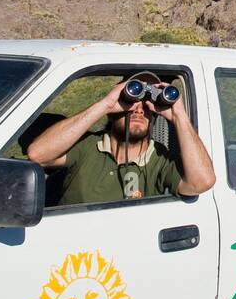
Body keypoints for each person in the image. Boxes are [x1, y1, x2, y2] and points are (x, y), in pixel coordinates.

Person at [26, 71, 217, 204]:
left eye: (146, 104)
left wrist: (179, 116)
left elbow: (202, 182)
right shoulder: (87, 146)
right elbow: (38, 154)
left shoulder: (159, 159)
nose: (139, 109)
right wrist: (105, 104)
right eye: (131, 99)